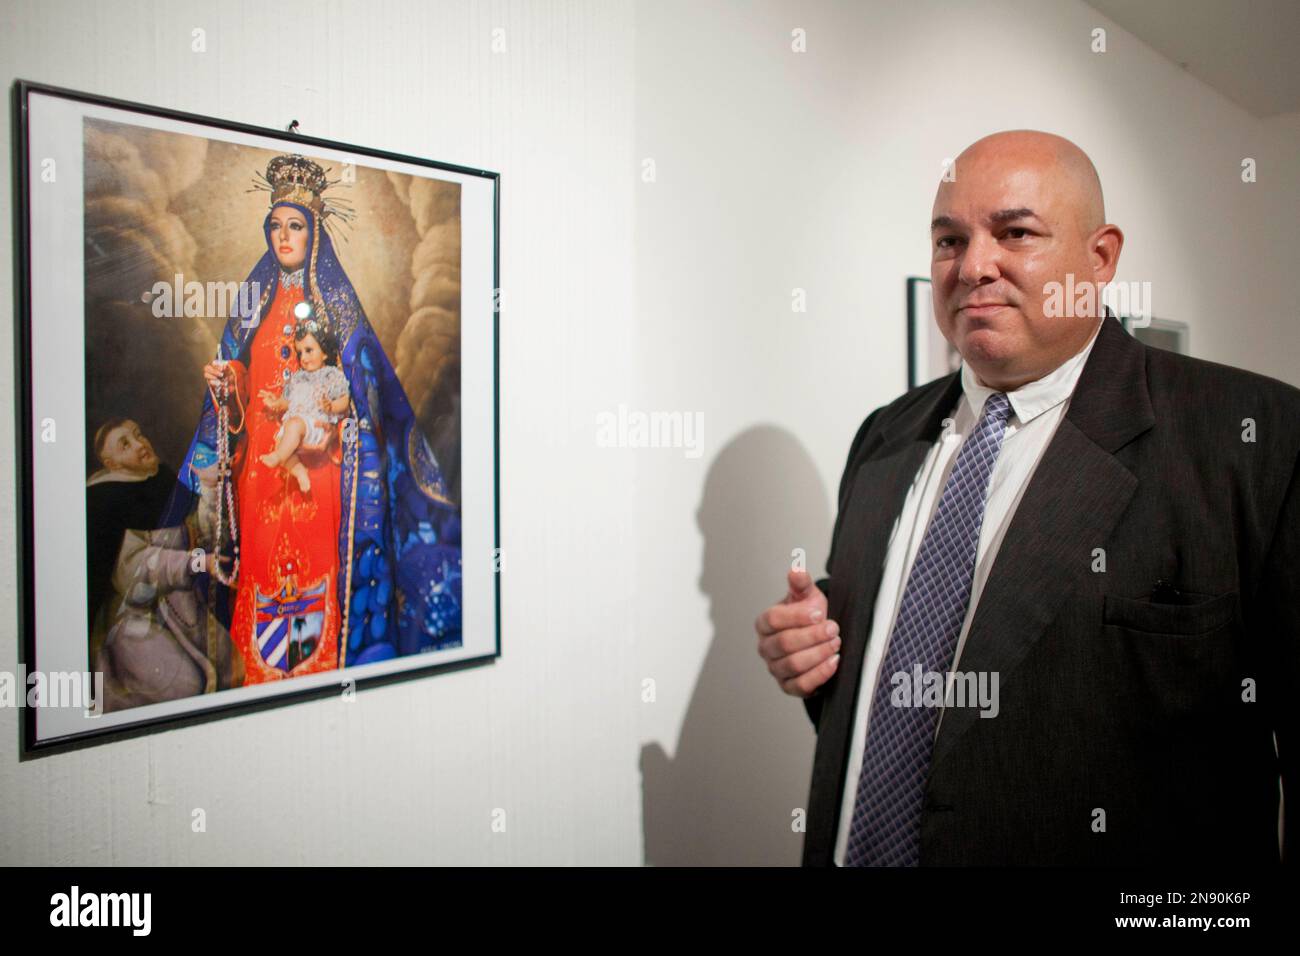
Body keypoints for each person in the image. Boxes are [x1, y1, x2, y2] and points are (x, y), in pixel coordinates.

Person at [755, 130, 1298, 866]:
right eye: (949, 241)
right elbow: (908, 685)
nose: (975, 266)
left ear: (1099, 258)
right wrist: (816, 650)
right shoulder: (884, 439)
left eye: (1014, 233)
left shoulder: (1254, 440)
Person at [163, 153, 462, 686]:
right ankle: (258, 675)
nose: (283, 237)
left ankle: (322, 665)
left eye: (295, 226)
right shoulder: (251, 304)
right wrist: (228, 385)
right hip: (261, 466)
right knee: (260, 563)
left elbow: (367, 384)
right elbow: (238, 378)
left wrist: (340, 410)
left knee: (313, 556)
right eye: (275, 226)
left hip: (321, 464)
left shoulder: (337, 304)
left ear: (314, 232)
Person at [85, 418, 177, 642]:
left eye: (138, 434)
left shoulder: (160, 476)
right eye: (125, 444)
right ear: (113, 465)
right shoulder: (105, 499)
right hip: (134, 614)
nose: (139, 444)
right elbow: (128, 576)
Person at [257, 321, 350, 493]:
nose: (304, 359)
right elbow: (288, 401)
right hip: (297, 425)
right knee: (281, 440)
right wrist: (277, 403)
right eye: (300, 353)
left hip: (315, 425)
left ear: (324, 353)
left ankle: (278, 457)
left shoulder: (331, 375)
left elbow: (345, 399)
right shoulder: (298, 377)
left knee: (291, 429)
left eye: (309, 351)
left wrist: (331, 406)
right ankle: (299, 470)